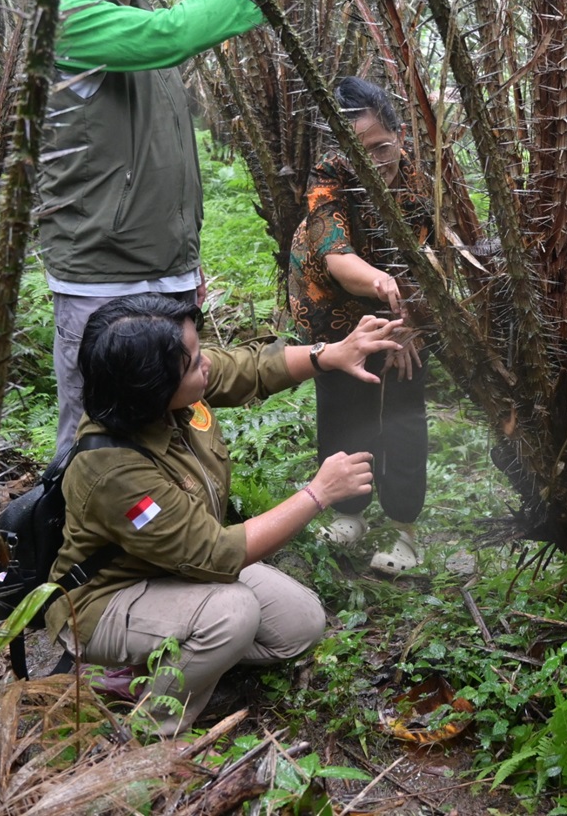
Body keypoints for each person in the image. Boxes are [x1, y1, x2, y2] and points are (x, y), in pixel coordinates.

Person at [39, 0, 331, 457]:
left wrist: (183, 256)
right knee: (97, 435)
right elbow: (166, 36)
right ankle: (73, 545)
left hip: (161, 268)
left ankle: (174, 542)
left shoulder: (130, 15)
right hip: (105, 275)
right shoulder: (69, 17)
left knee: (171, 426)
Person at [43, 293, 403, 736]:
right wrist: (317, 494)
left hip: (173, 566)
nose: (206, 365)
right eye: (194, 363)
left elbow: (249, 368)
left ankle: (162, 665)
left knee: (300, 626)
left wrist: (331, 354)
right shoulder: (115, 469)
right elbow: (215, 553)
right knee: (233, 613)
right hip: (106, 599)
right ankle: (153, 728)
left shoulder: (171, 391)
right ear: (154, 387)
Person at [287, 77, 433, 574]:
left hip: (405, 309)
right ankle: (350, 513)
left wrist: (407, 323)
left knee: (404, 411)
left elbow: (435, 256)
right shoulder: (330, 174)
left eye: (382, 146)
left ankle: (405, 531)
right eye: (361, 151)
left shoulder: (418, 182)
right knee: (344, 407)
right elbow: (337, 258)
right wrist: (382, 284)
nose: (375, 161)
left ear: (401, 135)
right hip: (334, 310)